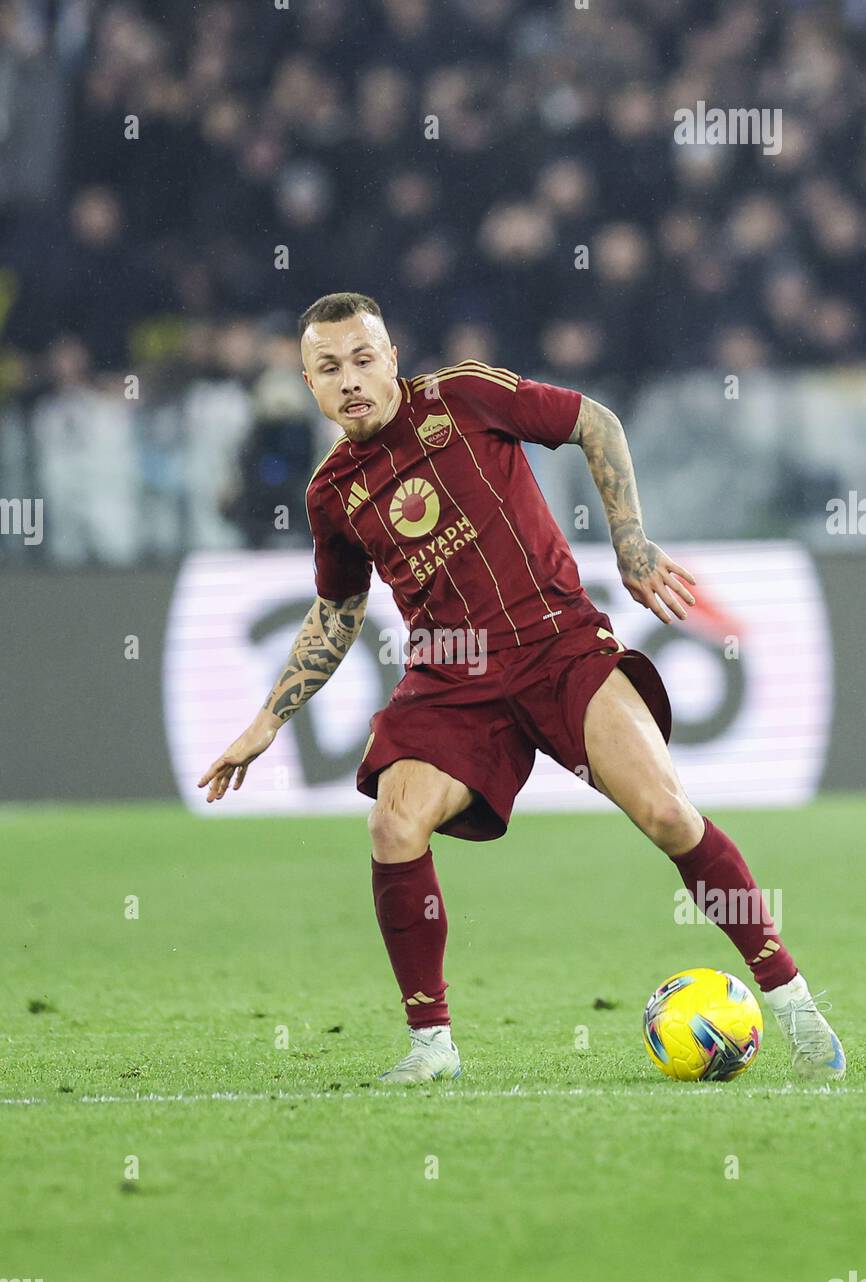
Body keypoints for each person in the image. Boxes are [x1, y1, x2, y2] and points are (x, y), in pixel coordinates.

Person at [198, 292, 845, 1086]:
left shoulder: (463, 396)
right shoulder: (332, 493)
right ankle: (432, 1045)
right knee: (393, 828)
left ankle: (790, 1001)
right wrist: (268, 720)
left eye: (365, 359)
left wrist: (631, 542)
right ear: (308, 382)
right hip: (449, 677)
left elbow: (593, 421)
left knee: (669, 815)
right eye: (329, 368)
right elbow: (338, 611)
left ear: (393, 358)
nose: (351, 380)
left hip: (558, 646)